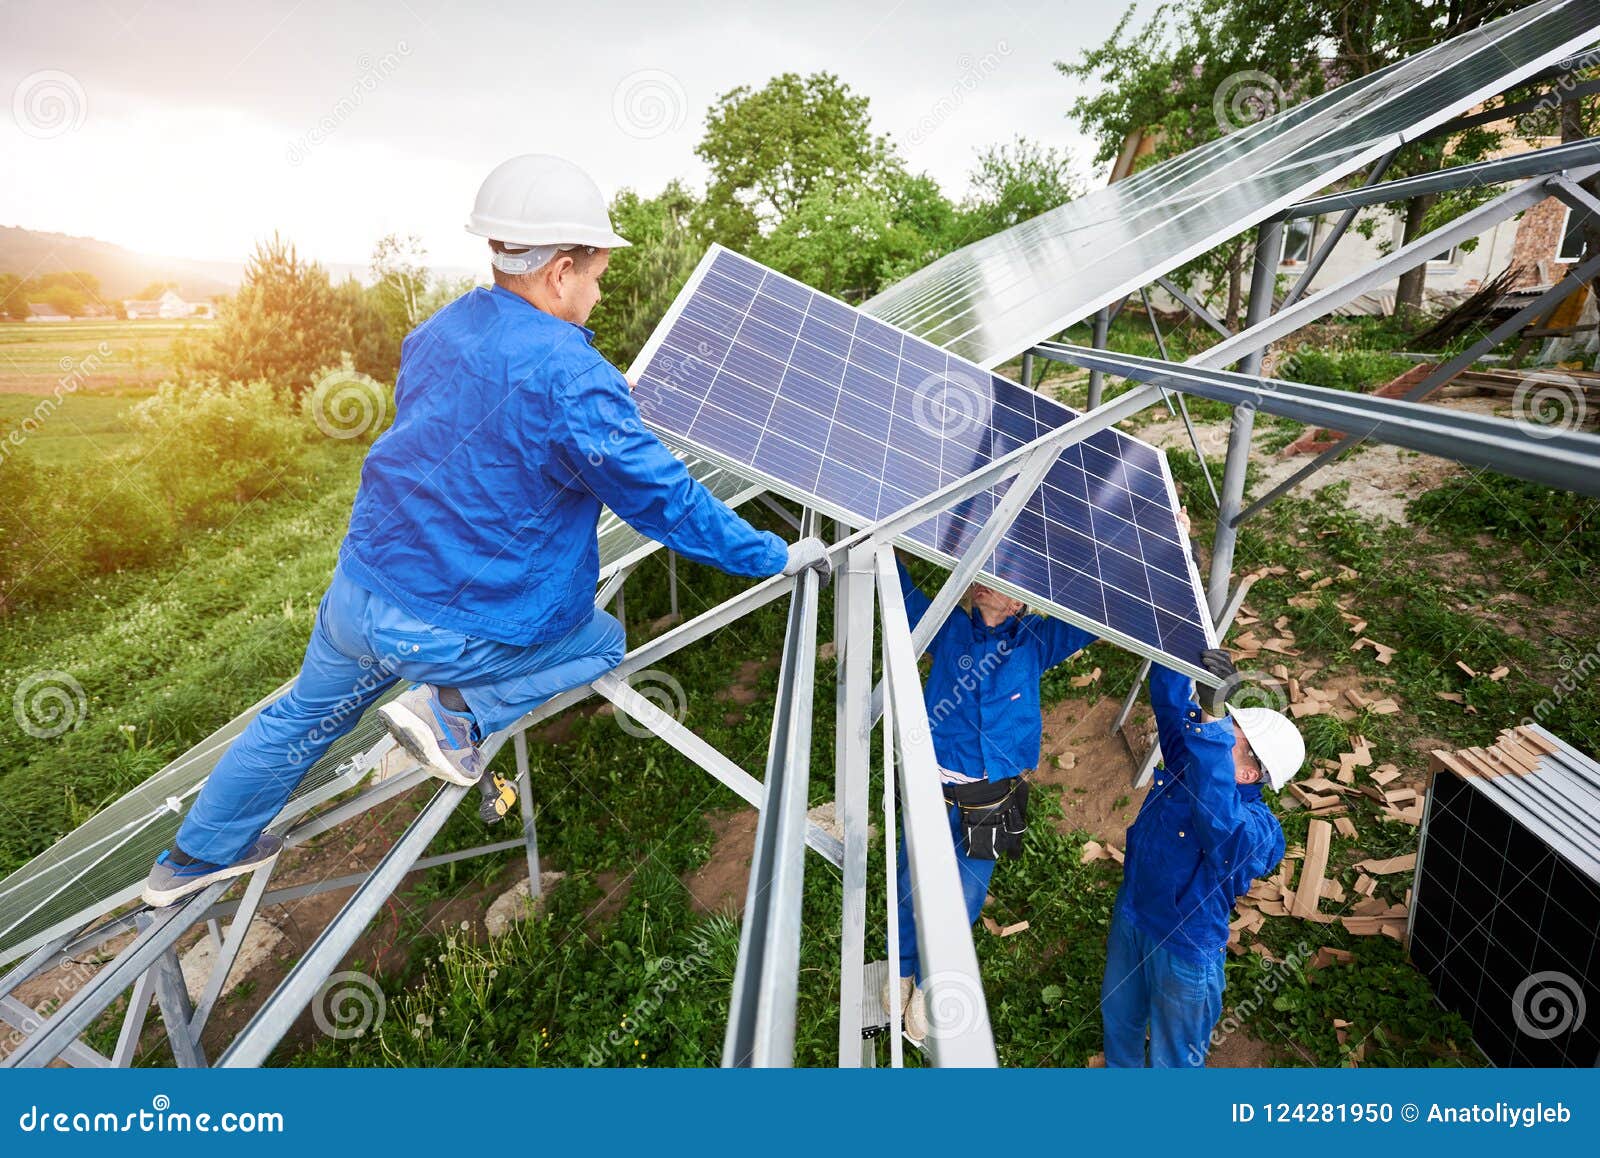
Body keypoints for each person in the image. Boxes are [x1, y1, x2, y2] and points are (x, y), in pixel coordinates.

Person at [142, 154, 831, 907]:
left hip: (362, 588)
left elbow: (464, 434)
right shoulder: (572, 375)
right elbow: (665, 502)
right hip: (455, 629)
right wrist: (772, 554)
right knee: (601, 640)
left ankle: (189, 861)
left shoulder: (442, 329)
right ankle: (453, 712)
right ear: (561, 270)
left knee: (300, 718)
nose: (599, 291)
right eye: (598, 274)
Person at [887, 555, 1097, 1044]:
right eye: (983, 576)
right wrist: (883, 539)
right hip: (933, 788)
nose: (986, 585)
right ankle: (901, 968)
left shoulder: (1037, 642)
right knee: (910, 880)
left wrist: (1157, 553)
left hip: (997, 794)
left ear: (1022, 601)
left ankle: (933, 980)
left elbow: (1092, 614)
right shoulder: (947, 628)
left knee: (967, 893)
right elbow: (906, 598)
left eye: (1003, 582)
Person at [1098, 645, 1304, 1067]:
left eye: (1233, 734)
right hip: (1134, 913)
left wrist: (1212, 726)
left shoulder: (1258, 829)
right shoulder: (1188, 759)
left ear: (1249, 773)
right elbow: (1171, 702)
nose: (1221, 728)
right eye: (1228, 723)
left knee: (1173, 1058)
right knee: (1120, 1021)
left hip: (1184, 951)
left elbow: (1219, 823)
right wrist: (1173, 646)